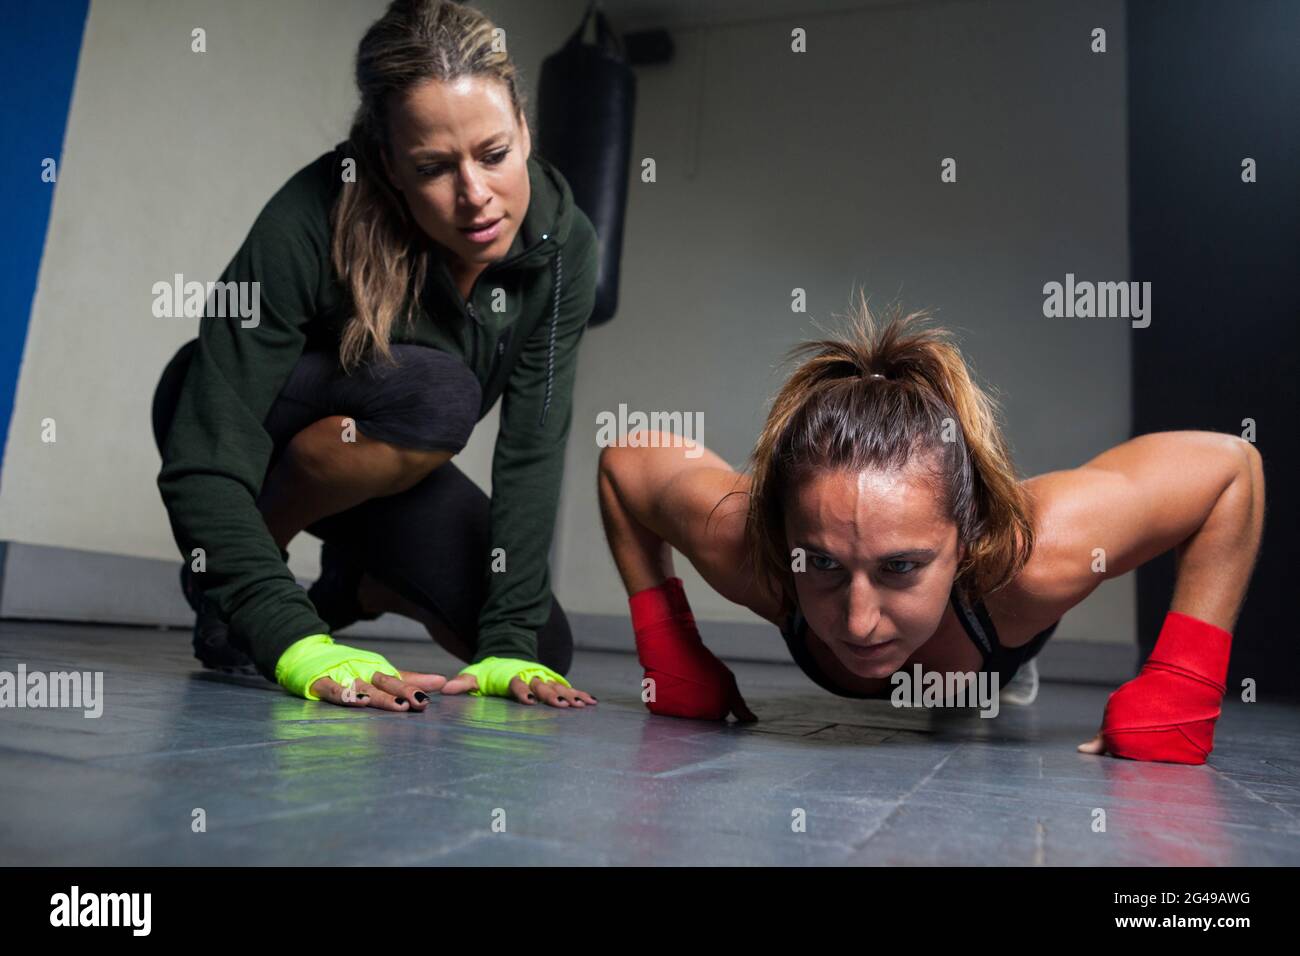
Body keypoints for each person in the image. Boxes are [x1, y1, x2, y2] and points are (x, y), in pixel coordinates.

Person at [152, 0, 598, 711]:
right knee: (438, 394)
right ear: (389, 165)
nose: (476, 197)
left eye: (494, 154)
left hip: (385, 461)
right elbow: (204, 454)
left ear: (524, 128)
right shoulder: (309, 215)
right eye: (433, 167)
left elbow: (532, 446)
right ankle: (236, 574)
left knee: (541, 649)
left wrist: (508, 635)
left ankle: (355, 587)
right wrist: (289, 637)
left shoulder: (564, 246)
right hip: (250, 427)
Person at [597, 297, 1265, 764]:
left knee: (979, 675)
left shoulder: (1034, 560)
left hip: (992, 645)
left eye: (901, 568)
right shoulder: (753, 549)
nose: (858, 623)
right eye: (824, 566)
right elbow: (623, 463)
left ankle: (998, 671)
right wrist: (671, 651)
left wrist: (1184, 680)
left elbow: (1231, 468)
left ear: (969, 540)